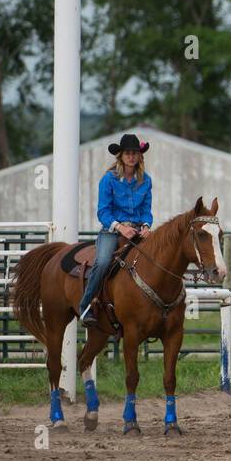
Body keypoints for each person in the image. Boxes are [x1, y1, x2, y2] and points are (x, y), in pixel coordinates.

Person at [80, 133, 153, 326]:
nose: (131, 156)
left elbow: (146, 210)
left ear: (139, 156)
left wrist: (146, 225)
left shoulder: (146, 180)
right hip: (112, 230)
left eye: (135, 153)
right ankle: (86, 306)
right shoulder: (109, 179)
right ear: (120, 155)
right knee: (103, 261)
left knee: (156, 257)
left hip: (138, 231)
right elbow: (103, 212)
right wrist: (120, 227)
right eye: (127, 153)